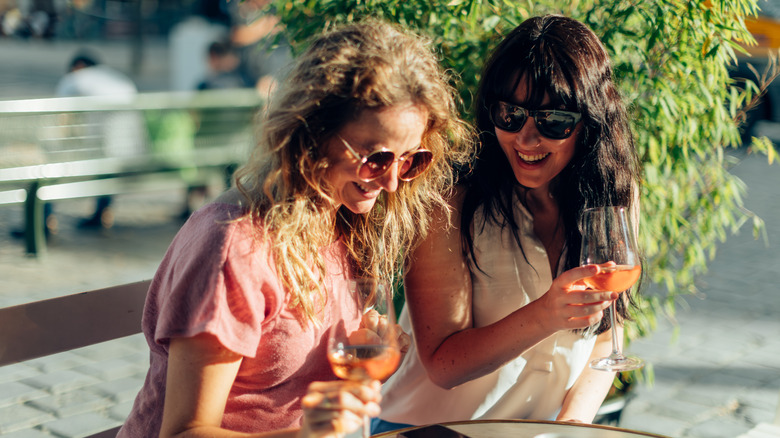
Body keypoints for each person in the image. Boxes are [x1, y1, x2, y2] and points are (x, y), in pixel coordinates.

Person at [116, 18, 473, 438]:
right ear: (312, 133)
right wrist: (307, 434)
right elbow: (183, 432)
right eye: (376, 157)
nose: (393, 181)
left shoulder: (344, 220)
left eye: (411, 159)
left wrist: (368, 352)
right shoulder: (234, 245)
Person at [373, 15, 642, 433]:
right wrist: (546, 315)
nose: (526, 139)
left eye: (553, 121)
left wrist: (573, 423)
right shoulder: (446, 199)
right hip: (427, 431)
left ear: (590, 121)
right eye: (510, 114)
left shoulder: (611, 196)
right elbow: (443, 364)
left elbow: (608, 335)